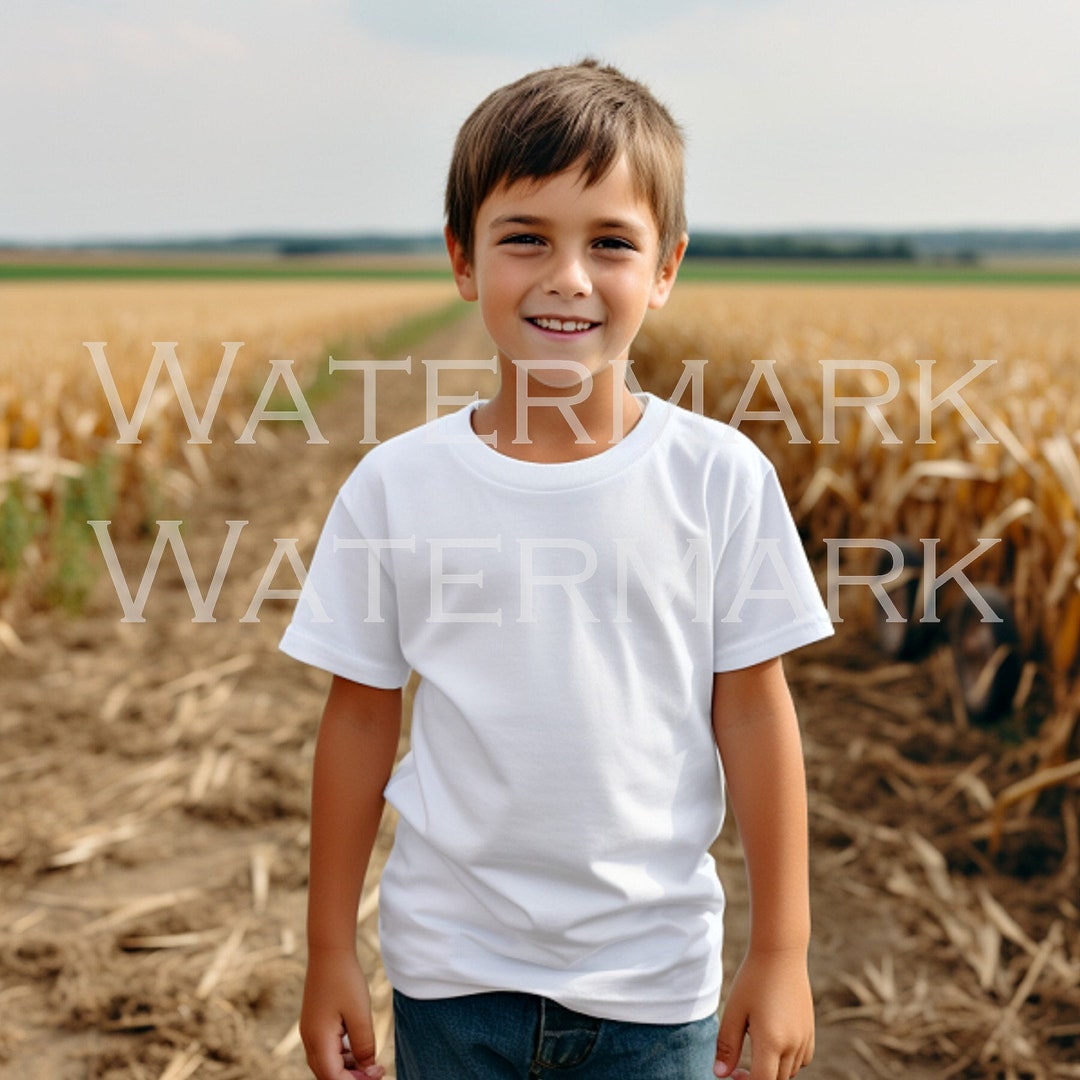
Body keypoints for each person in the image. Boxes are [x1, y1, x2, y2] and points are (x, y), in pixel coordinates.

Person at [280, 58, 834, 1080]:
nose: (568, 276)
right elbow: (359, 717)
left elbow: (756, 713)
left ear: (665, 268)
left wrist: (784, 951)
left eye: (611, 243)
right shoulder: (396, 488)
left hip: (653, 986)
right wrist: (328, 955)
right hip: (451, 978)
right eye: (525, 237)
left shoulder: (720, 480)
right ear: (462, 258)